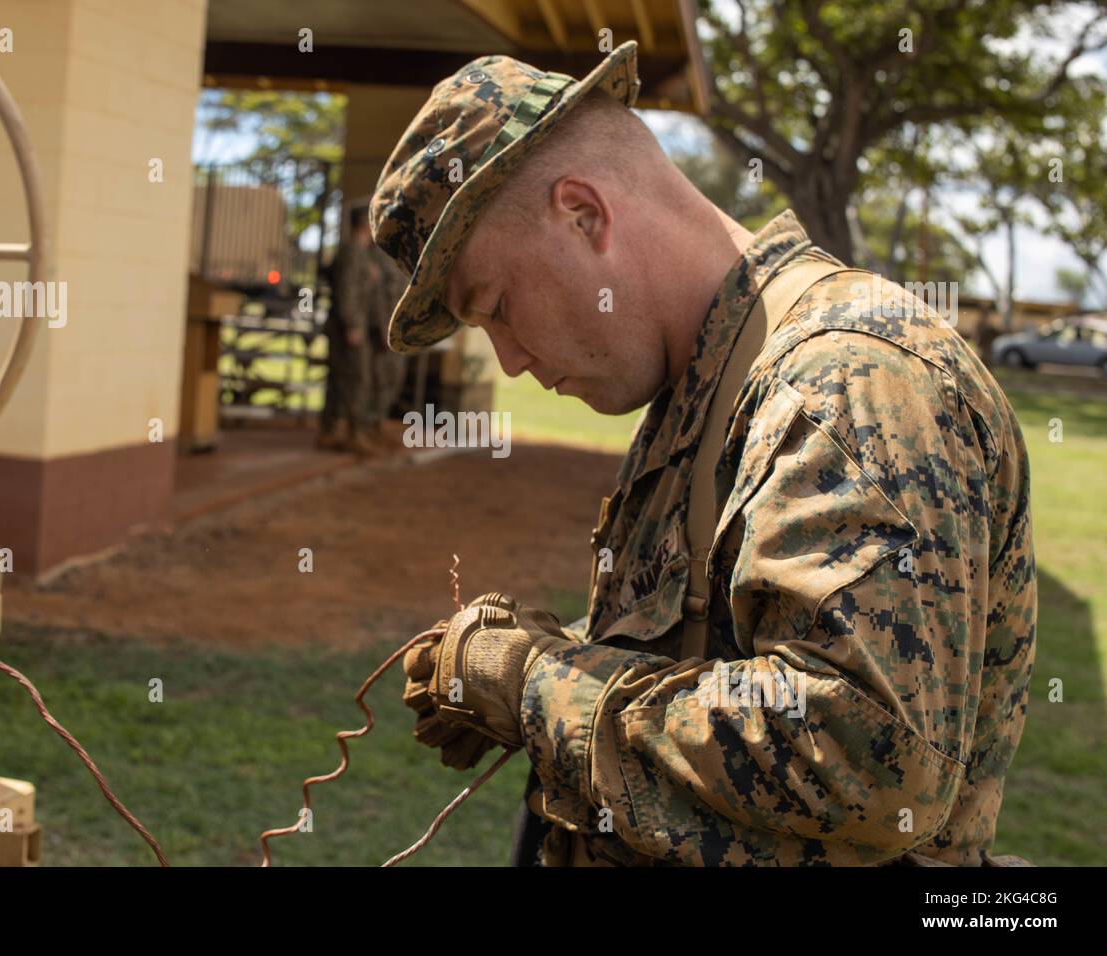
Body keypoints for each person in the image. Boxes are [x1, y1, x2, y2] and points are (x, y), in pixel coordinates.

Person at [370, 42, 1036, 866]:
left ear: (584, 214)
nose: (509, 360)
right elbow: (728, 644)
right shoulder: (705, 385)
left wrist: (537, 683)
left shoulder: (848, 378)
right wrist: (571, 649)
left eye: (499, 306)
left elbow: (864, 757)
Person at [317, 202, 380, 456]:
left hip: (351, 322)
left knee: (342, 377)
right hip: (348, 325)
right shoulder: (353, 252)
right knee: (356, 377)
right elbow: (347, 290)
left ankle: (331, 429)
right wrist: (352, 325)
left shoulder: (360, 253)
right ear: (365, 224)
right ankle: (353, 433)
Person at [366, 242, 410, 441]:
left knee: (394, 378)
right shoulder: (377, 255)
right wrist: (382, 326)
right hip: (380, 330)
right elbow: (375, 297)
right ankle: (368, 426)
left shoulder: (407, 255)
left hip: (398, 330)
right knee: (377, 379)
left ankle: (377, 423)